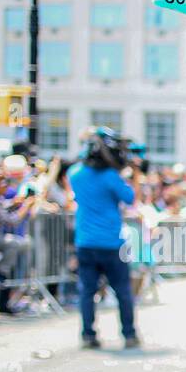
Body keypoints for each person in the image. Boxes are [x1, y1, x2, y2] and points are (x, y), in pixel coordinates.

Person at [69, 129, 140, 349]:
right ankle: (129, 334)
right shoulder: (110, 177)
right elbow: (130, 198)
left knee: (87, 291)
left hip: (85, 242)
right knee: (122, 291)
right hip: (111, 242)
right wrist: (135, 175)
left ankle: (88, 334)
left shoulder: (76, 173)